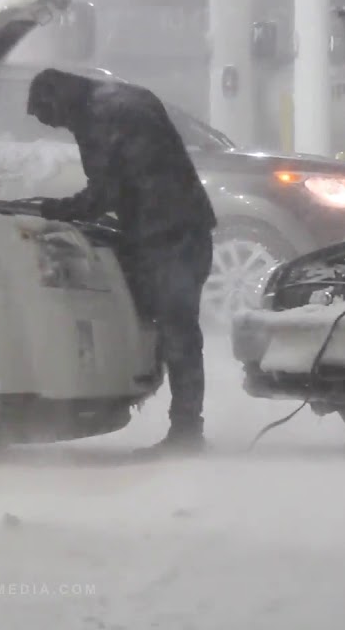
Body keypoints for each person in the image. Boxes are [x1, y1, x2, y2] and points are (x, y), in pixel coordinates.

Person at [26, 68, 216, 454]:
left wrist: (57, 209)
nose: (56, 126)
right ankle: (180, 420)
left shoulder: (103, 115)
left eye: (51, 118)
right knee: (173, 328)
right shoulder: (118, 101)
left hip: (169, 233)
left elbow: (107, 190)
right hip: (179, 226)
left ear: (58, 100)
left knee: (177, 330)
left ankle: (185, 431)